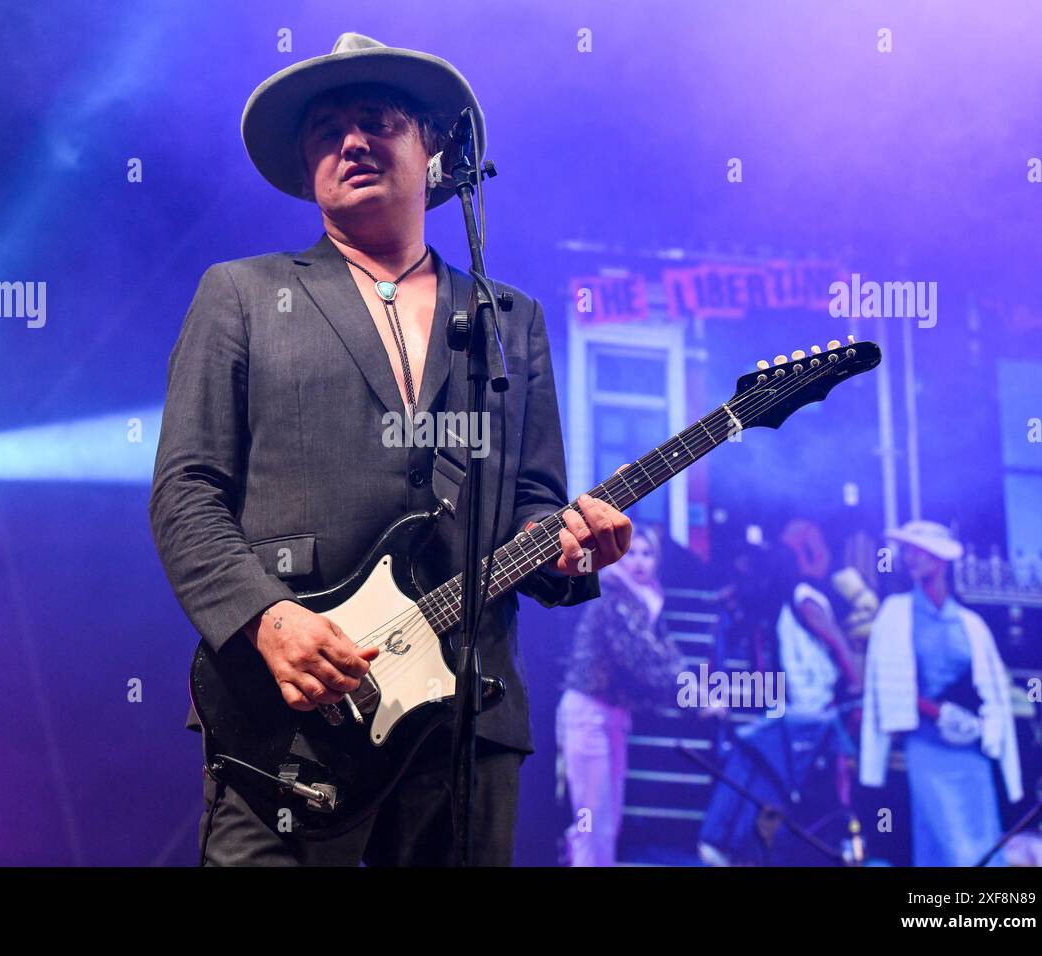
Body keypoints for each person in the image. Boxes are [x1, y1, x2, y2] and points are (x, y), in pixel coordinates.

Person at [148, 32, 633, 866]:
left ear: (433, 146)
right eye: (327, 129)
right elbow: (185, 492)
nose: (352, 141)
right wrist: (265, 619)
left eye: (378, 120)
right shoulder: (244, 295)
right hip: (291, 723)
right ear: (306, 167)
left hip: (466, 717)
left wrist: (570, 550)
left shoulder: (509, 319)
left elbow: (534, 505)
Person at [859, 520, 1023, 866]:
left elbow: (993, 692)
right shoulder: (896, 612)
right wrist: (938, 713)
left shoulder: (970, 623)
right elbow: (890, 687)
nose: (911, 557)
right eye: (908, 551)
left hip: (970, 750)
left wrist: (979, 729)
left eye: (920, 551)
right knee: (946, 840)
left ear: (941, 560)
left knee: (981, 838)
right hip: (927, 744)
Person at [697, 519, 860, 865]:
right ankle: (734, 845)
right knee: (764, 772)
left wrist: (856, 694)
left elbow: (840, 647)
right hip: (798, 713)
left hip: (813, 713)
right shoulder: (780, 606)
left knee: (753, 754)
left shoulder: (804, 599)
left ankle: (719, 840)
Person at [556, 528, 683, 866]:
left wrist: (696, 687)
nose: (639, 562)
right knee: (590, 819)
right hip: (588, 714)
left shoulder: (646, 602)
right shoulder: (612, 595)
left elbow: (667, 655)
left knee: (605, 822)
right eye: (633, 553)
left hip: (612, 717)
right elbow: (641, 659)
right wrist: (693, 694)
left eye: (648, 554)